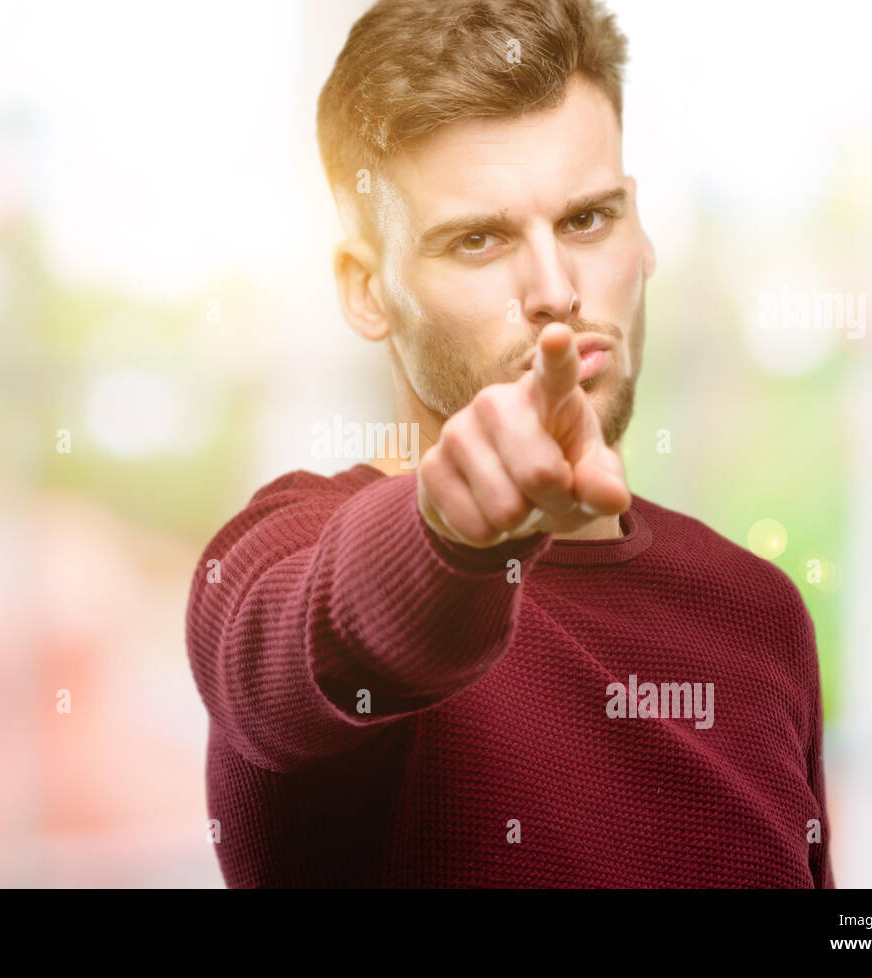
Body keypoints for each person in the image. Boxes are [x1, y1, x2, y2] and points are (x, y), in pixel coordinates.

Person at [186, 0, 834, 888]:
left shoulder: (757, 610)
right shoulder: (283, 554)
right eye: (479, 240)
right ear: (367, 288)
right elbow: (295, 647)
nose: (556, 290)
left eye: (586, 221)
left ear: (639, 228)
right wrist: (448, 534)